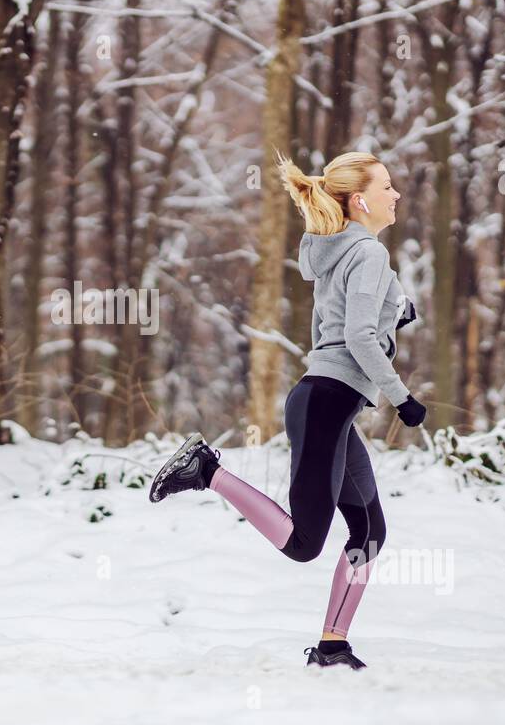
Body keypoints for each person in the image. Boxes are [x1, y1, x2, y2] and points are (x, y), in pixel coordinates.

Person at [148, 151, 426, 671]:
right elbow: (360, 338)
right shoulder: (368, 254)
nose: (396, 196)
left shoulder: (341, 252)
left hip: (329, 403)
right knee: (304, 543)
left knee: (369, 532)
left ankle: (333, 645)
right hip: (326, 402)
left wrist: (395, 317)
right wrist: (402, 397)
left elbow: (346, 326)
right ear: (360, 199)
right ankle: (206, 472)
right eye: (387, 187)